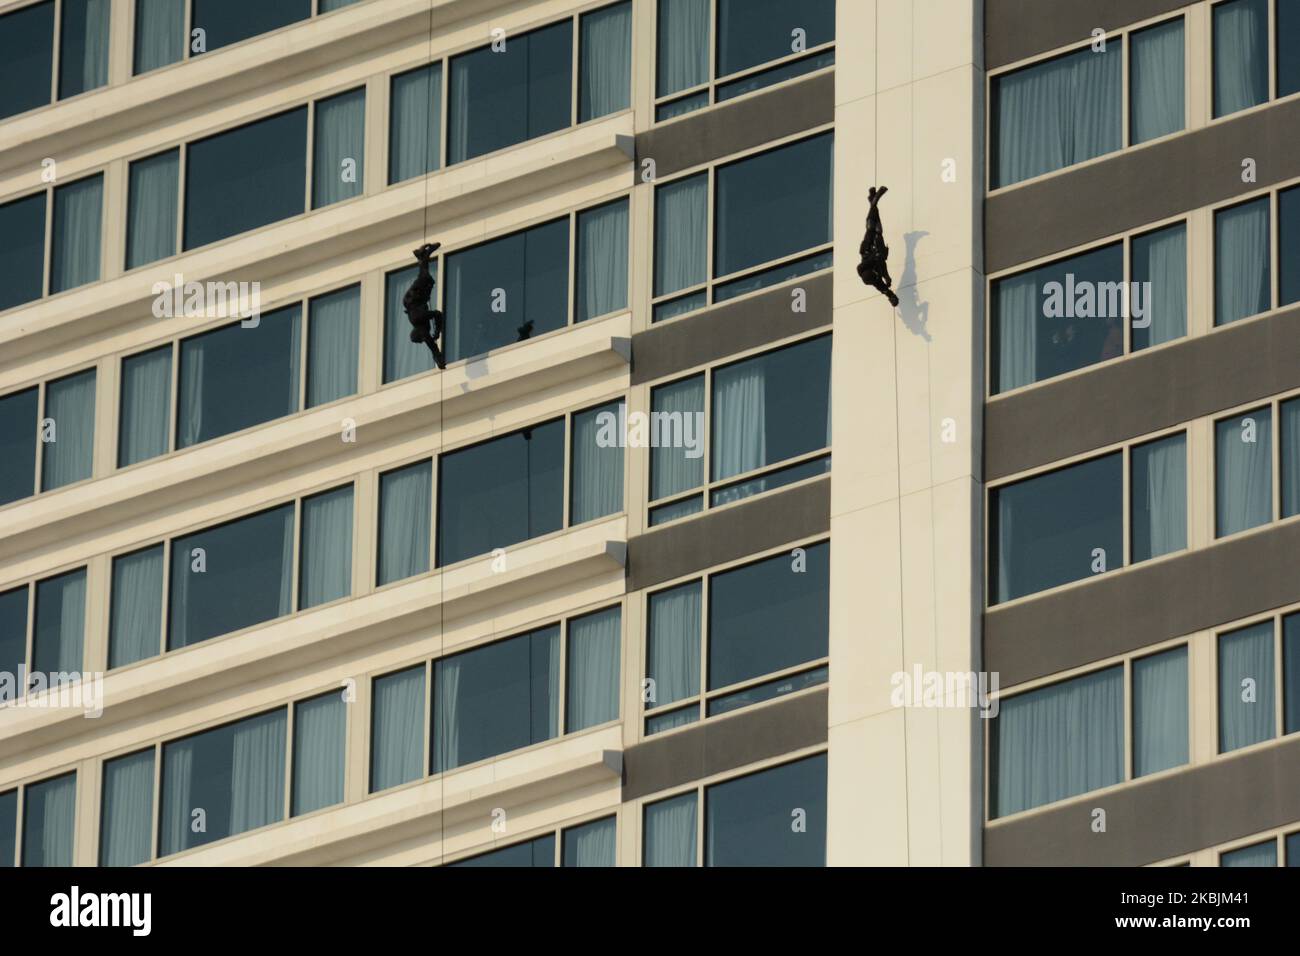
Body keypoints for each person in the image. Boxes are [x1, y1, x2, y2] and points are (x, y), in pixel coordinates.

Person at [403, 242, 446, 369]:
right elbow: (433, 348)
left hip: (413, 297)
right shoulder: (424, 332)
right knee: (426, 278)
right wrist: (440, 361)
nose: (425, 339)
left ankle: (423, 255)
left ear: (419, 333)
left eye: (422, 339)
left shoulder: (418, 318)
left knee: (425, 278)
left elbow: (437, 314)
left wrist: (438, 331)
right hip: (417, 299)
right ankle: (422, 255)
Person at [857, 186, 899, 307]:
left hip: (867, 249)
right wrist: (891, 296)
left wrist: (875, 259)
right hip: (879, 251)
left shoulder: (864, 268)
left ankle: (875, 200)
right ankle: (873, 200)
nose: (876, 276)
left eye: (875, 275)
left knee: (870, 227)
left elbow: (861, 266)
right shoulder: (875, 280)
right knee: (878, 229)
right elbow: (883, 289)